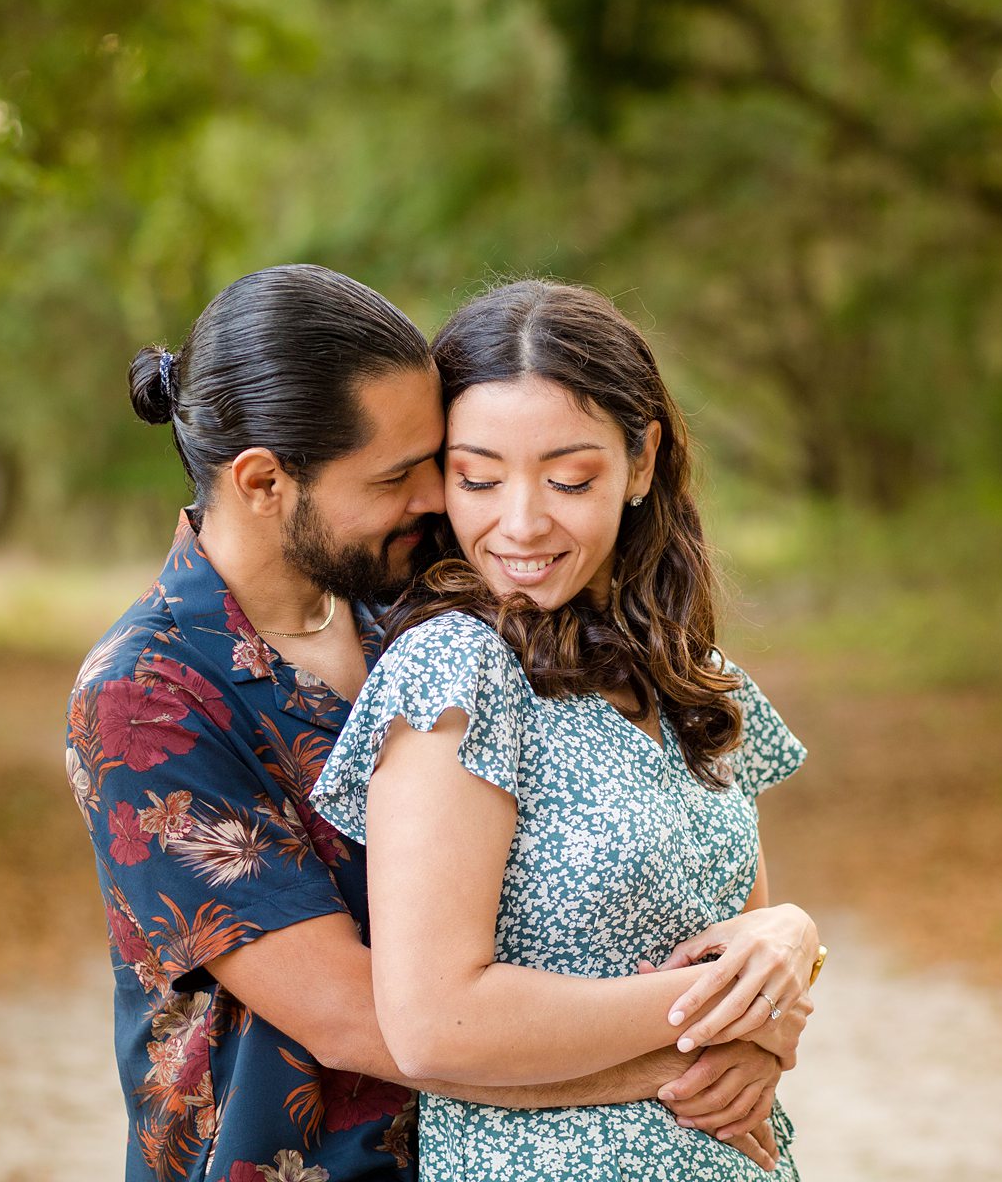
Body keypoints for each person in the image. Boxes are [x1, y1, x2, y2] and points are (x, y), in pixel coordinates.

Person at [66, 264, 811, 1182]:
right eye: (403, 475)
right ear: (264, 482)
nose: (437, 503)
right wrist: (708, 1047)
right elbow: (377, 1021)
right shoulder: (148, 695)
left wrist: (785, 945)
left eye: (439, 465)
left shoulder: (417, 612)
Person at [311, 279, 822, 1181]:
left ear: (643, 462)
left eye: (569, 478)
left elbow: (743, 936)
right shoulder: (457, 674)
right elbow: (436, 1022)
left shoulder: (690, 679)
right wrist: (724, 1010)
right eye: (476, 478)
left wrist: (789, 945)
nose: (520, 523)